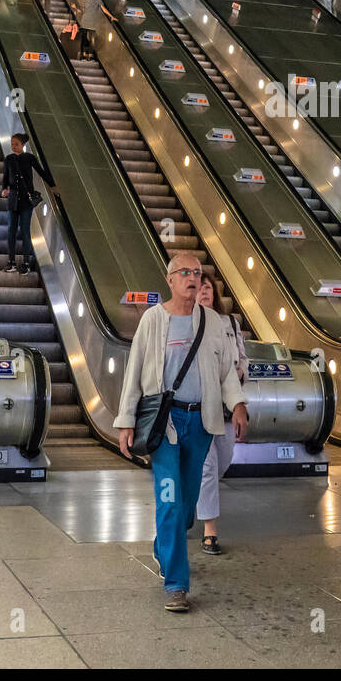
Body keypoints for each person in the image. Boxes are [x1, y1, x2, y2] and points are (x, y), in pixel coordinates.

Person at [116, 253, 250, 612]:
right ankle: (176, 584)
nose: (193, 277)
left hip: (201, 422)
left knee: (187, 507)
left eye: (197, 272)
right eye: (185, 272)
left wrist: (237, 404)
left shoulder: (213, 322)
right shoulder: (153, 320)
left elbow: (225, 371)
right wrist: (126, 420)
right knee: (171, 503)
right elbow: (134, 371)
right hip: (165, 425)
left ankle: (164, 545)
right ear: (170, 280)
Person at [195, 273, 249, 556]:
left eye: (207, 288)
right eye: (199, 288)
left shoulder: (229, 323)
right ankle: (210, 532)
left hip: (227, 405)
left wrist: (240, 373)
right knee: (207, 466)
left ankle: (197, 498)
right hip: (200, 403)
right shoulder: (188, 322)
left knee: (223, 461)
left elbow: (242, 356)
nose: (204, 292)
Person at [0, 132, 55, 274]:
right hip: (12, 200)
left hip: (26, 200)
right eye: (12, 144)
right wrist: (4, 189)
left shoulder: (29, 158)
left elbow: (41, 172)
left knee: (25, 231)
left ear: (23, 145)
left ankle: (26, 263)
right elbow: (5, 178)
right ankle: (11, 262)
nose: (13, 146)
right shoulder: (8, 159)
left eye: (16, 144)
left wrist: (53, 185)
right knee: (11, 231)